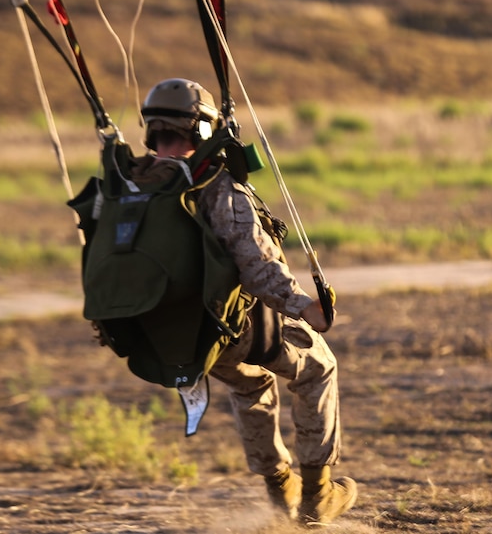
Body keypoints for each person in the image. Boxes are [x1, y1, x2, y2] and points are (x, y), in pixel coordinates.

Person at [130, 78, 357, 526]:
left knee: (250, 384)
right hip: (232, 323)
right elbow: (257, 264)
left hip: (181, 335)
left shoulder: (131, 186)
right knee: (317, 366)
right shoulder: (214, 188)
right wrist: (303, 307)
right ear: (202, 128)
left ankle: (279, 488)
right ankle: (316, 492)